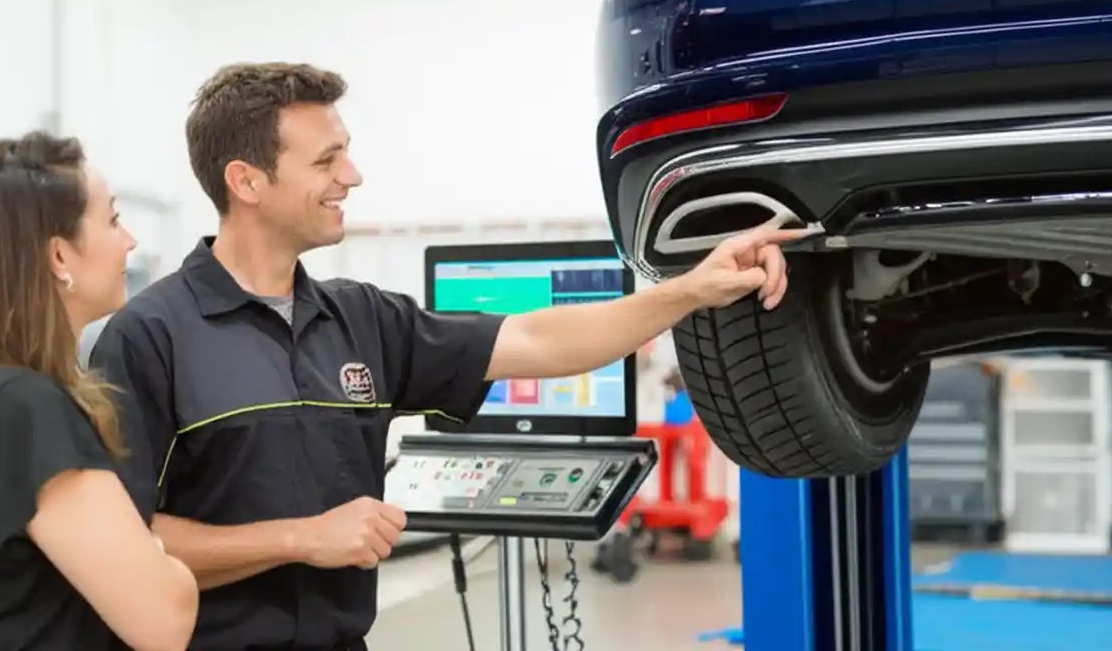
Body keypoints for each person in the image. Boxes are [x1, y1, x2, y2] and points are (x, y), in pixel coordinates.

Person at [87, 62, 805, 651]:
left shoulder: (361, 318)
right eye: (327, 159)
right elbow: (122, 548)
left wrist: (688, 289)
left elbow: (534, 340)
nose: (353, 176)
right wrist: (303, 539)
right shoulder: (149, 337)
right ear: (247, 182)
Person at [0, 132, 199, 651]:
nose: (129, 241)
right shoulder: (24, 409)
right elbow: (166, 620)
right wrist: (155, 554)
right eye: (111, 220)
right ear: (59, 257)